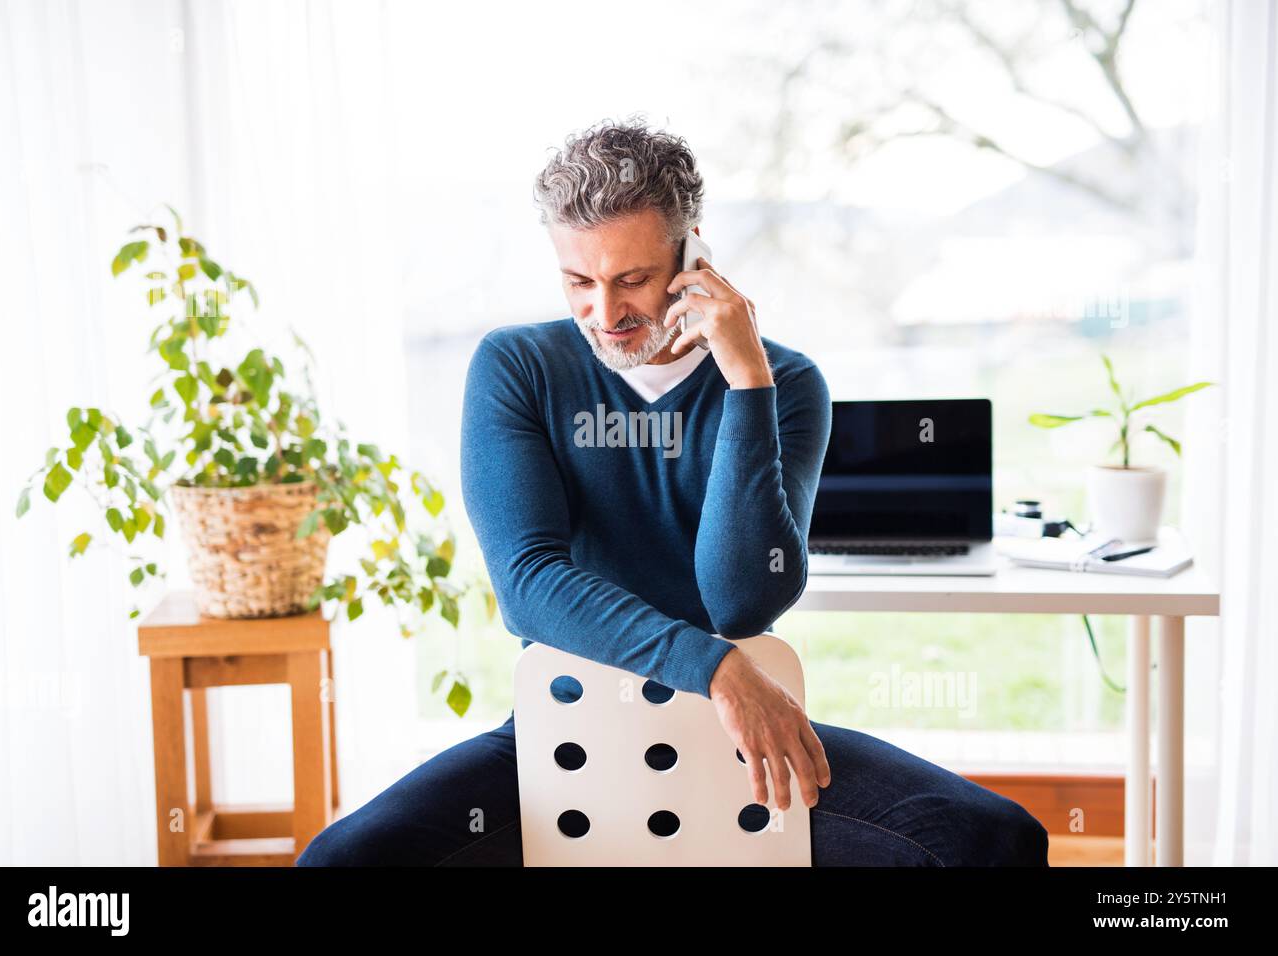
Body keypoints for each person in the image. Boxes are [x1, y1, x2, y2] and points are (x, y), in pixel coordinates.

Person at [296, 117, 1050, 866]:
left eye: (632, 279)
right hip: (565, 729)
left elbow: (741, 601)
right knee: (342, 861)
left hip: (745, 742)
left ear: (693, 253)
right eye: (578, 281)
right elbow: (529, 586)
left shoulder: (784, 383)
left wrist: (745, 382)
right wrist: (716, 668)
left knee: (995, 841)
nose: (605, 314)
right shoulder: (517, 366)